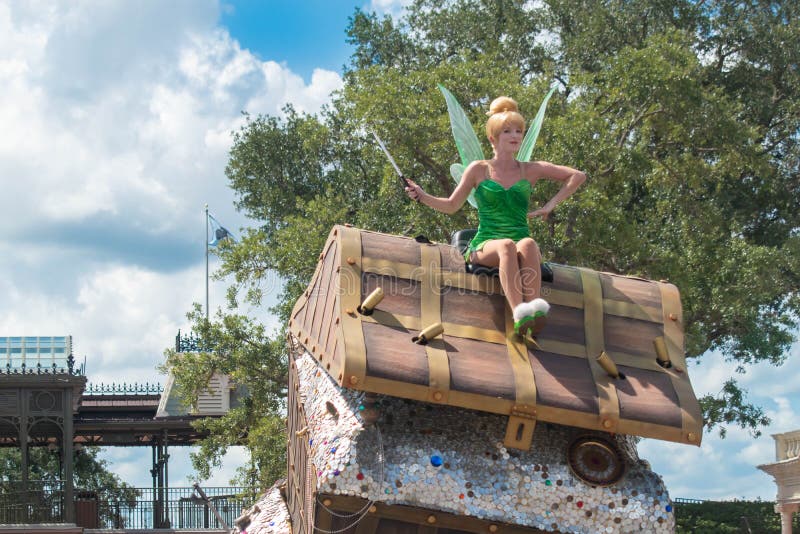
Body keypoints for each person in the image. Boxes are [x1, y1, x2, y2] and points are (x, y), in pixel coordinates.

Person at [405, 96, 586, 338]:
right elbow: (451, 205)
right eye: (507, 131)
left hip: (520, 239)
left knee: (529, 244)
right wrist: (422, 195)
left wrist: (550, 204)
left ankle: (535, 312)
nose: (516, 136)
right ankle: (519, 313)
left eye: (519, 131)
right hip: (486, 244)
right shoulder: (479, 169)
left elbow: (578, 176)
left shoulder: (530, 169)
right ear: (493, 138)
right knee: (507, 246)